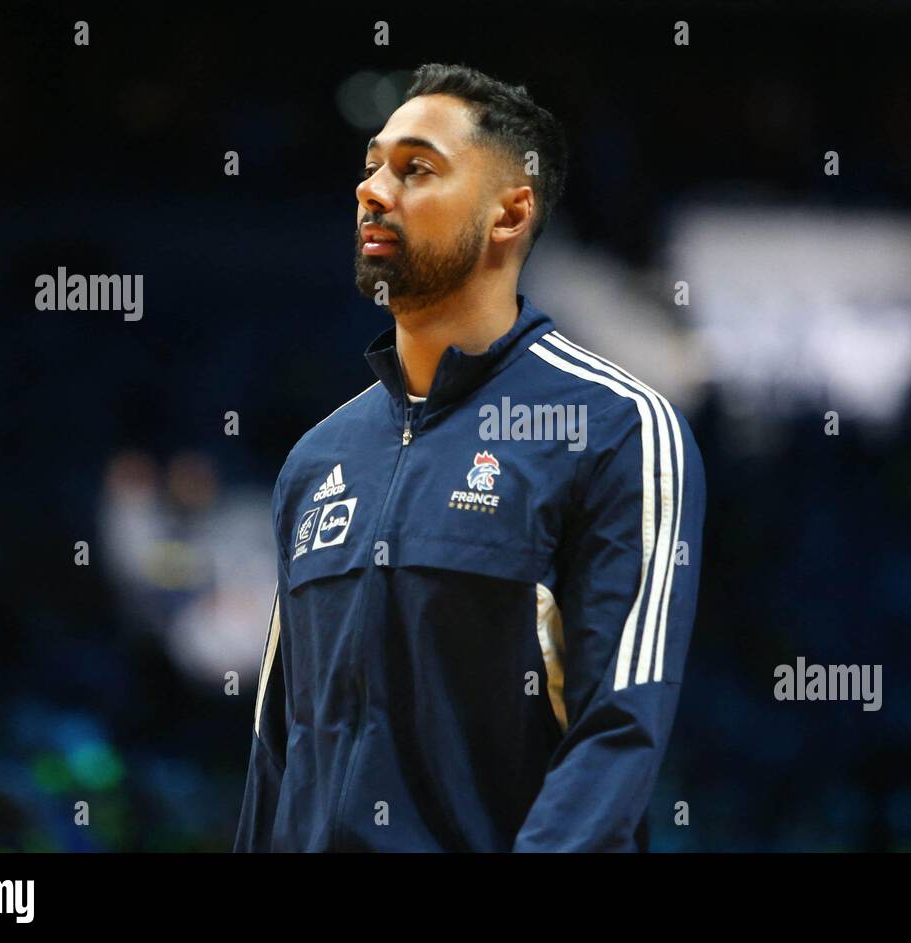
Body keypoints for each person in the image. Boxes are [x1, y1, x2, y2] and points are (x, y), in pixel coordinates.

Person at [233, 62, 706, 852]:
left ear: (509, 212)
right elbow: (275, 755)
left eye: (416, 168)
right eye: (372, 166)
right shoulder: (315, 459)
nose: (373, 190)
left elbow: (616, 733)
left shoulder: (616, 429)